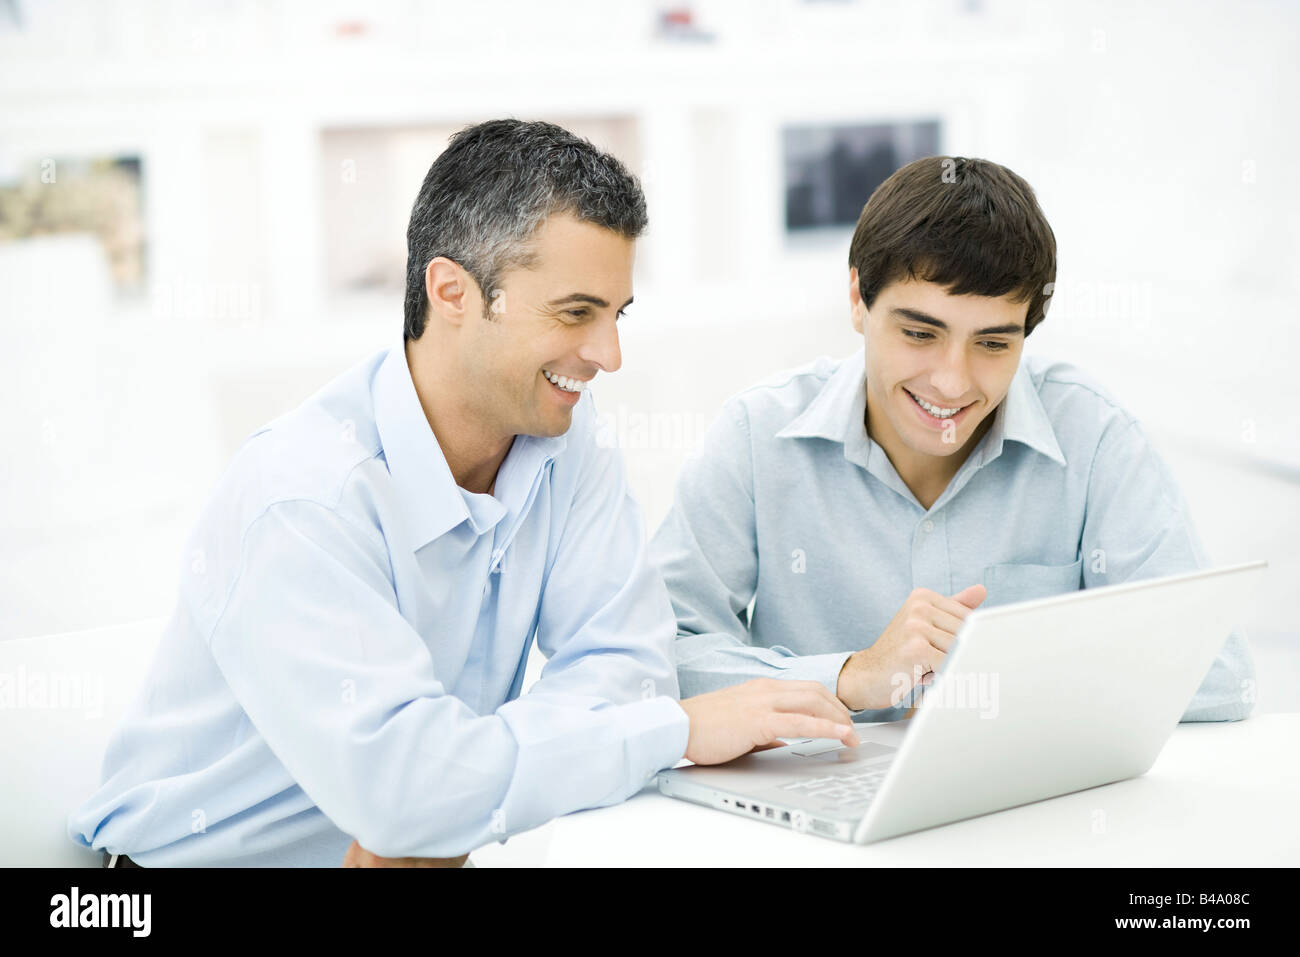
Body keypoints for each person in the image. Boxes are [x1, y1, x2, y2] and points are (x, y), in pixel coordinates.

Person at [69, 119, 858, 868]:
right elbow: (416, 788)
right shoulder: (302, 498)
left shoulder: (564, 439)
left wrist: (450, 792)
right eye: (575, 312)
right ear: (451, 292)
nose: (609, 353)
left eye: (615, 313)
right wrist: (665, 732)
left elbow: (628, 670)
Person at [649, 155, 1255, 724]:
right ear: (858, 299)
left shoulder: (1092, 436)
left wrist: (997, 683)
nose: (951, 381)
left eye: (993, 344)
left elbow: (1219, 675)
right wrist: (850, 678)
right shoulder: (758, 437)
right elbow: (657, 659)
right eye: (919, 333)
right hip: (818, 807)